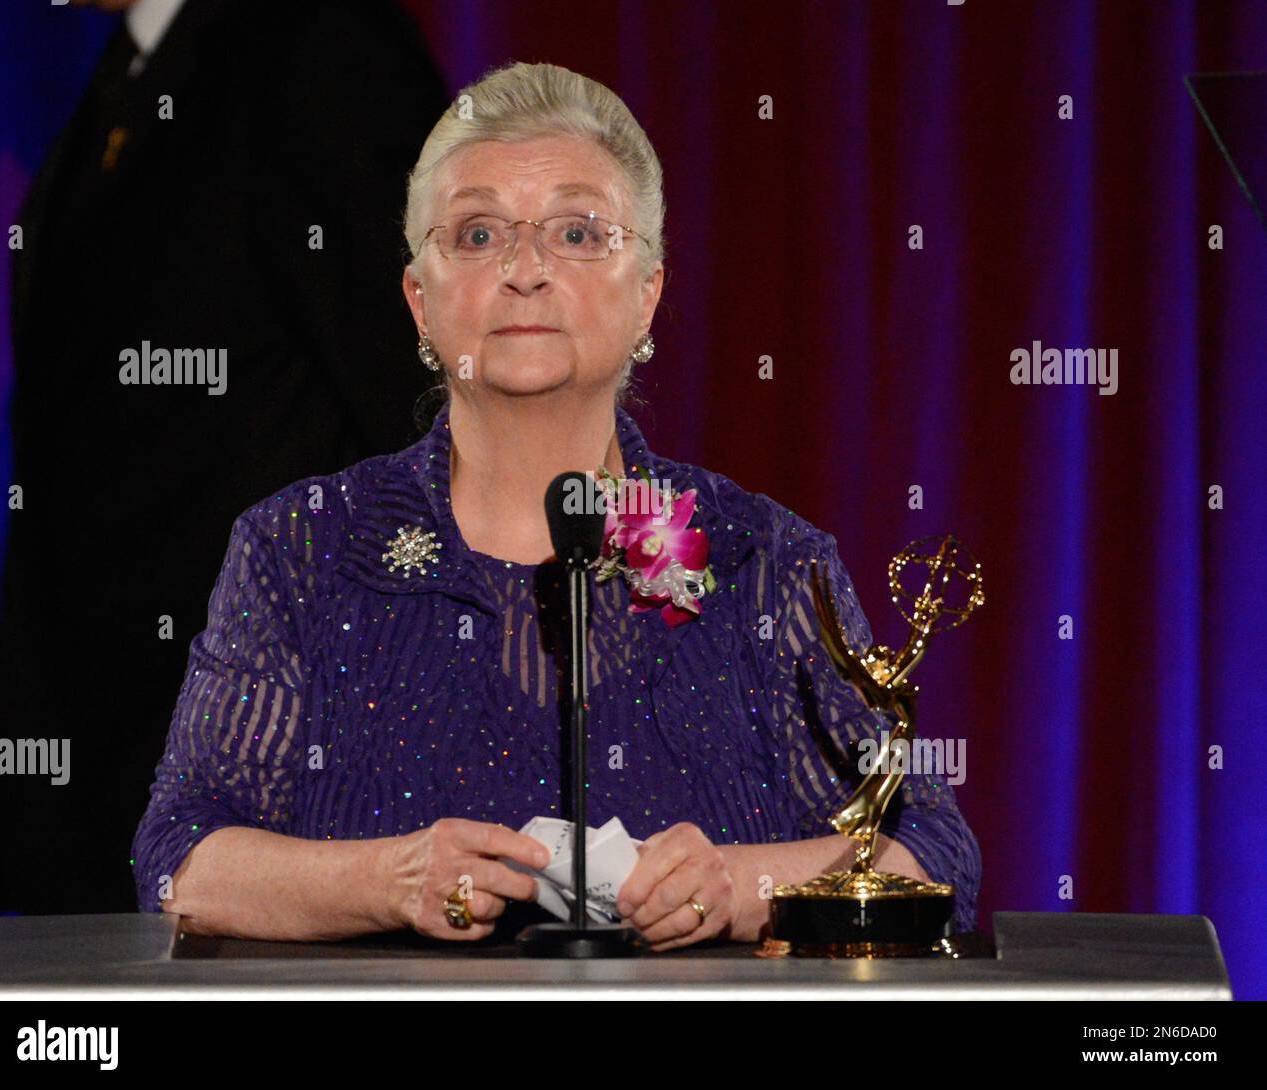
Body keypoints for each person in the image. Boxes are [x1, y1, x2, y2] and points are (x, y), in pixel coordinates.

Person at [131, 61, 980, 951]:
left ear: (647, 291)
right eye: (477, 234)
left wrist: (737, 883)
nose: (525, 271)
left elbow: (934, 854)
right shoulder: (299, 548)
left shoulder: (765, 562)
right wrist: (387, 879)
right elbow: (179, 858)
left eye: (577, 233)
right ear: (420, 302)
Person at [0, 0, 448, 914]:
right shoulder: (125, 73)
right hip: (99, 755)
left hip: (258, 764)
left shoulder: (318, 37)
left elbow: (414, 371)